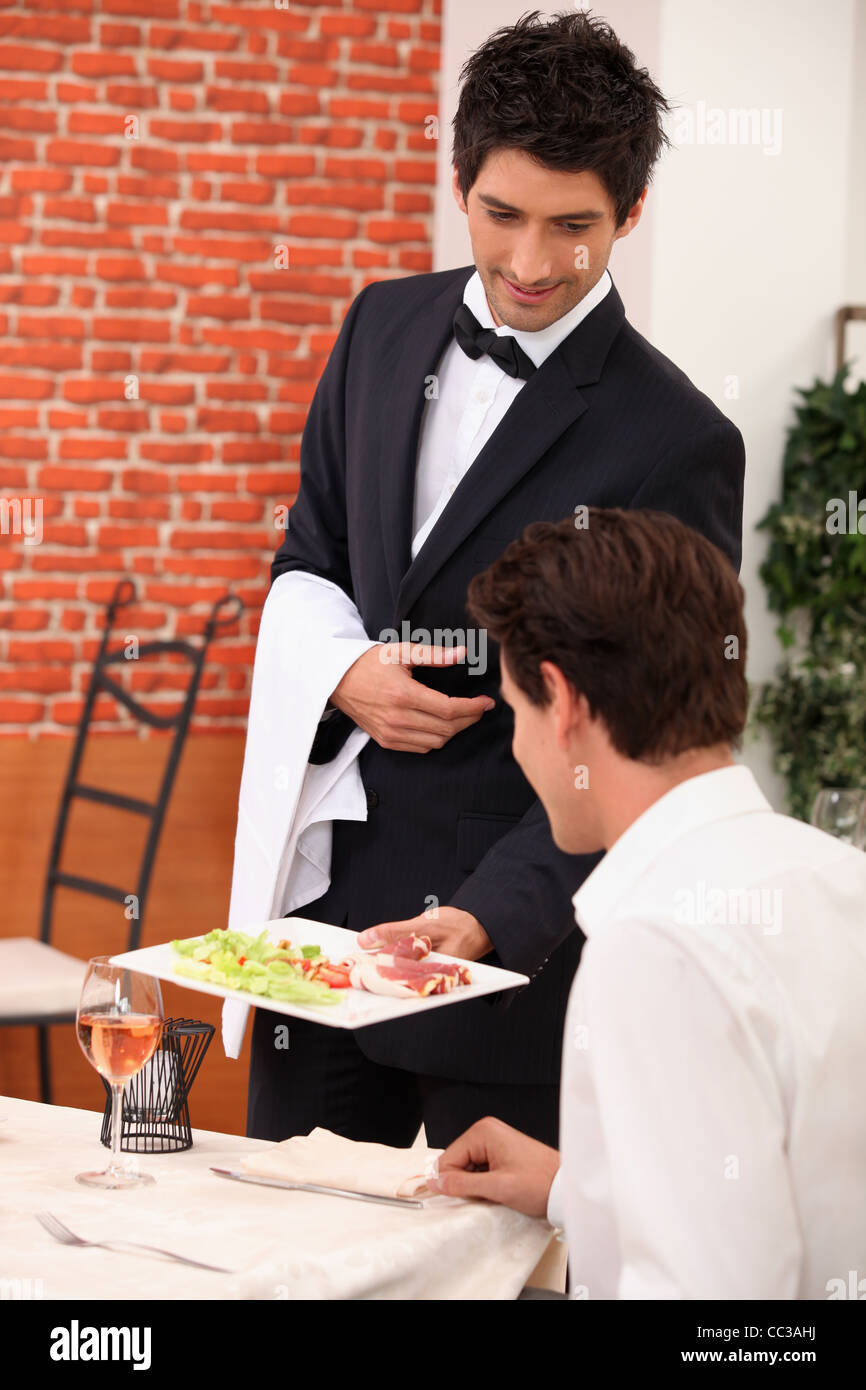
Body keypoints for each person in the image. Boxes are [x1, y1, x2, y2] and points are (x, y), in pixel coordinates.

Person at [243, 11, 745, 1149]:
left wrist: (486, 916)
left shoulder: (678, 438)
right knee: (284, 1252)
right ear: (457, 177)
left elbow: (645, 731)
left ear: (630, 212)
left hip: (509, 953)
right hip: (317, 920)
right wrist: (343, 672)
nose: (527, 265)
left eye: (571, 228)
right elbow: (308, 556)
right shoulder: (378, 324)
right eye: (499, 215)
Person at [428, 508, 866, 1300]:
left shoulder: (657, 944)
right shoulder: (837, 878)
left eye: (516, 713)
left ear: (561, 703)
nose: (522, 747)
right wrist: (579, 1190)